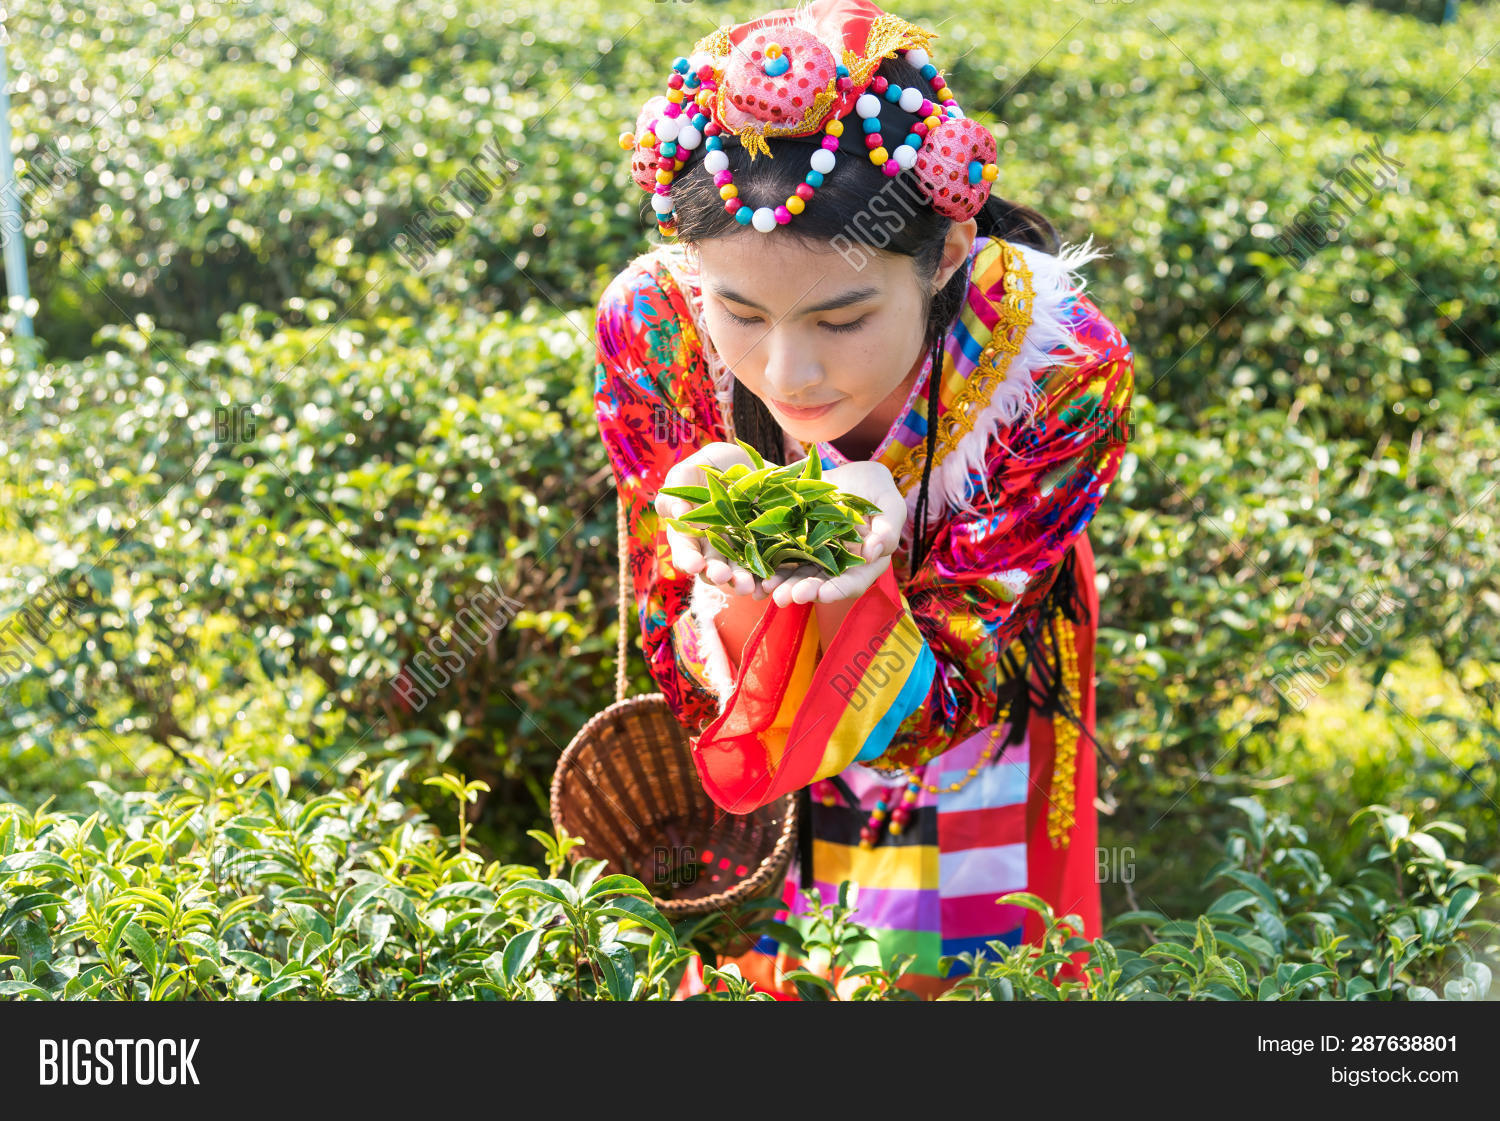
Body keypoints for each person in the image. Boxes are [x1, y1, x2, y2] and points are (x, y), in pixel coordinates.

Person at [592, 0, 1135, 998]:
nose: (788, 374)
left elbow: (951, 694)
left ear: (948, 251)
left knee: (949, 971)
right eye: (741, 311)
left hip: (965, 713)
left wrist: (860, 585)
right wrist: (717, 582)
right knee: (766, 969)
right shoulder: (653, 325)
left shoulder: (1056, 367)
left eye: (842, 317)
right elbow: (674, 643)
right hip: (754, 707)